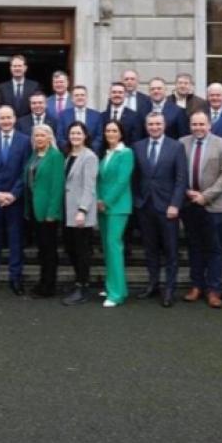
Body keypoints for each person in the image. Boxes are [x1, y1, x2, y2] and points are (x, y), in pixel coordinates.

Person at [132, 113, 188, 308]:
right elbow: (135, 177)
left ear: (164, 125)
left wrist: (175, 204)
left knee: (171, 251)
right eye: (151, 124)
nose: (154, 127)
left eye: (158, 124)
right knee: (150, 249)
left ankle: (170, 289)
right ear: (146, 126)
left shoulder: (176, 146)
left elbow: (181, 179)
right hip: (145, 206)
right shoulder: (138, 146)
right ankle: (153, 284)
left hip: (167, 207)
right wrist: (137, 200)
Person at [179, 110, 222, 308]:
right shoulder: (182, 143)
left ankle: (214, 290)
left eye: (202, 124)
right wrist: (187, 191)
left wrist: (206, 196)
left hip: (214, 205)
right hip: (189, 204)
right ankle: (196, 285)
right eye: (194, 124)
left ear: (209, 125)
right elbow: (177, 172)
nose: (198, 128)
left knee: (215, 249)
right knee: (194, 247)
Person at [0, 105, 30, 295]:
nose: (6, 121)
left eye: (9, 117)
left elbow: (26, 169)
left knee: (16, 241)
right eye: (2, 118)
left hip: (15, 200)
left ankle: (15, 278)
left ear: (15, 118)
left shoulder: (25, 140)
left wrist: (13, 194)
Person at [97, 119, 134, 307]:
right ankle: (114, 285)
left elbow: (122, 181)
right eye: (108, 130)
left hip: (117, 207)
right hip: (103, 207)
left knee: (114, 247)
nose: (110, 133)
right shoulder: (107, 154)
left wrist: (106, 201)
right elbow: (100, 180)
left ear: (121, 133)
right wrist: (98, 200)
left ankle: (116, 295)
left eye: (114, 130)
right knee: (107, 247)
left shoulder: (126, 153)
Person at [25, 124, 65, 298]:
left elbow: (57, 186)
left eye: (42, 135)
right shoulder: (34, 155)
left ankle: (49, 286)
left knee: (49, 250)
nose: (39, 138)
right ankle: (43, 281)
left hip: (48, 212)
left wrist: (52, 212)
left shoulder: (55, 156)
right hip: (35, 209)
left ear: (50, 137)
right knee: (42, 249)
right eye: (36, 136)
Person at [61, 122, 98, 305]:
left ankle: (83, 287)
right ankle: (78, 282)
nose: (75, 136)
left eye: (78, 133)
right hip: (68, 211)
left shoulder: (89, 156)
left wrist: (82, 210)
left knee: (82, 252)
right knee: (71, 249)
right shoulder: (69, 155)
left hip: (81, 212)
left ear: (85, 136)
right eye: (72, 133)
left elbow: (89, 187)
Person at [57, 84, 102, 153]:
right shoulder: (63, 115)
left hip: (90, 154)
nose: (79, 97)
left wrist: (88, 151)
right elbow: (60, 137)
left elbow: (99, 137)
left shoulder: (96, 115)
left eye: (82, 95)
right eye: (76, 95)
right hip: (69, 154)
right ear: (72, 99)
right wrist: (71, 151)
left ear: (86, 98)